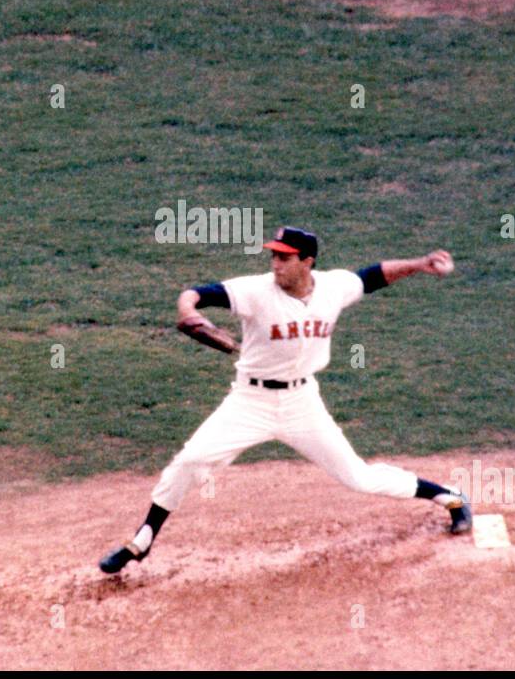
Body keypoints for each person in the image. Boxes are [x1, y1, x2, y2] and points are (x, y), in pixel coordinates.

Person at [99, 225, 472, 574]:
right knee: (191, 460)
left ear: (307, 262)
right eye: (274, 256)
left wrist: (421, 265)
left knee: (358, 477)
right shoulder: (255, 290)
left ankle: (448, 496)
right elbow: (196, 292)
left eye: (285, 257)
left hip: (301, 402)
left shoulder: (333, 287)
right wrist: (187, 310)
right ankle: (143, 539)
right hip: (250, 401)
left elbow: (373, 276)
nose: (276, 263)